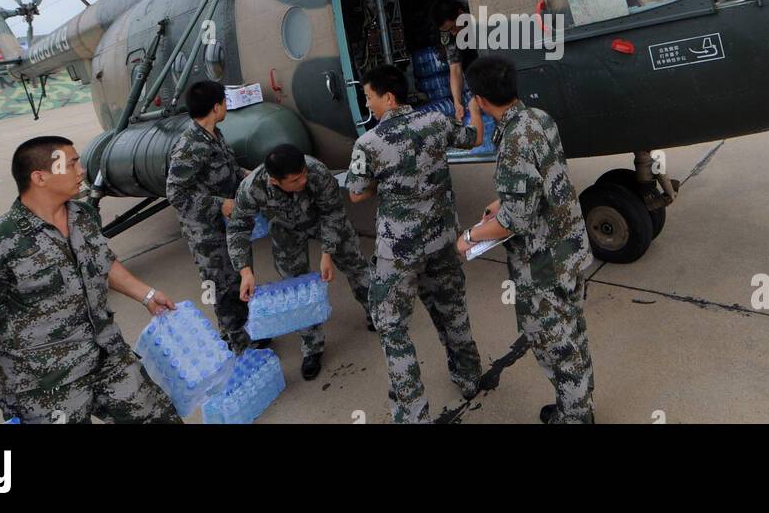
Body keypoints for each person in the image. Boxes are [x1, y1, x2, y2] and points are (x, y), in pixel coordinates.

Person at [0, 135, 180, 424]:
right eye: (71, 164)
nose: (81, 171)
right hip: (45, 386)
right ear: (40, 177)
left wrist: (146, 295)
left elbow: (101, 260)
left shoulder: (83, 216)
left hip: (107, 356)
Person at [457, 56, 596, 424]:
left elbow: (513, 221)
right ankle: (577, 406)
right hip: (569, 245)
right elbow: (541, 178)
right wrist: (500, 200)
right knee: (573, 332)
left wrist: (469, 237)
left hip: (545, 262)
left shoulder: (513, 141)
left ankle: (576, 417)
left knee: (556, 344)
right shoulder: (537, 117)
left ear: (480, 100)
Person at [345, 64, 485, 423]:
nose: (367, 103)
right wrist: (472, 109)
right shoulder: (437, 122)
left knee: (391, 325)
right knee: (452, 308)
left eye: (369, 97)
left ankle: (413, 413)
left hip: (400, 250)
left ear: (388, 98)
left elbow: (357, 194)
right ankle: (469, 377)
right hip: (442, 239)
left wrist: (386, 180)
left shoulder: (369, 143)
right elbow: (474, 139)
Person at [228, 144, 375, 381]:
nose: (303, 181)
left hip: (323, 220)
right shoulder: (251, 188)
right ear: (276, 182)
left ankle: (376, 313)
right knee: (297, 287)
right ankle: (312, 347)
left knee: (356, 265)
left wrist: (327, 253)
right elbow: (237, 229)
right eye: (295, 180)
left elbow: (333, 212)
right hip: (287, 231)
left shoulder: (316, 171)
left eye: (304, 173)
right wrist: (245, 271)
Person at [165, 80, 253, 353]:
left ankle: (246, 330)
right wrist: (218, 204)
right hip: (205, 233)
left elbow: (229, 168)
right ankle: (237, 346)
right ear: (216, 107)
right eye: (225, 102)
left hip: (226, 225)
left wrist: (251, 177)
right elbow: (175, 194)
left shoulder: (214, 134)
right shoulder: (190, 146)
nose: (226, 106)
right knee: (220, 287)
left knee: (238, 279)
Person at [431, 0, 476, 122]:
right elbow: (455, 68)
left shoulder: (477, 11)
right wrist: (457, 103)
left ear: (461, 14)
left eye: (453, 28)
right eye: (449, 31)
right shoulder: (447, 32)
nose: (454, 33)